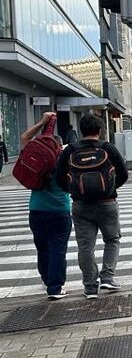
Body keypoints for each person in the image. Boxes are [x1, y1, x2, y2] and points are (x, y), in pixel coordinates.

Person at [55, 114, 129, 298]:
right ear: (100, 130)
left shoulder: (70, 150)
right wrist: (110, 188)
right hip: (107, 203)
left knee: (85, 247)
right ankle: (107, 278)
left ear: (81, 131)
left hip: (80, 206)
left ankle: (89, 288)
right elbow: (124, 173)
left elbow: (58, 178)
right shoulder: (107, 148)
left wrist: (74, 191)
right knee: (112, 240)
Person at [21, 113, 72, 299]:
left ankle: (46, 279)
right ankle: (55, 287)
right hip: (59, 210)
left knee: (42, 248)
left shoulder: (38, 156)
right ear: (59, 146)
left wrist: (42, 123)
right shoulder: (63, 159)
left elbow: (25, 138)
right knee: (58, 249)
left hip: (36, 209)